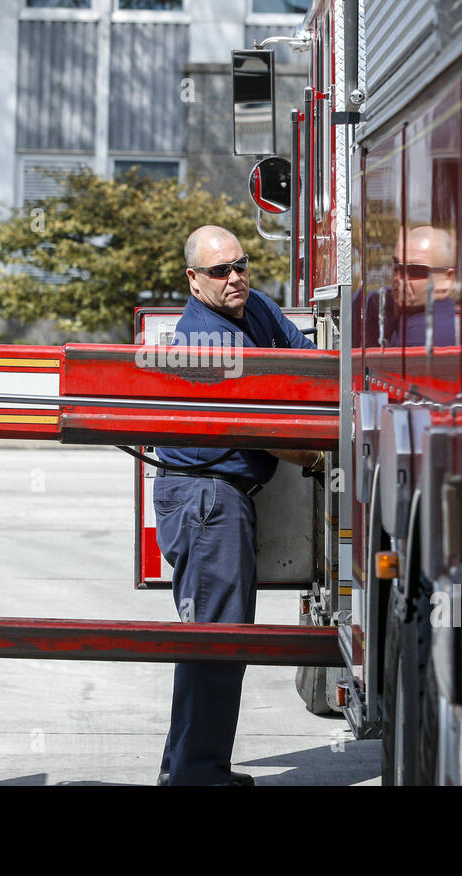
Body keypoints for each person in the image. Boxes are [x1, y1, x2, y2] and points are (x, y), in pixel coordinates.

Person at [153, 224, 318, 786]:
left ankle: (188, 769)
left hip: (219, 499)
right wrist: (320, 459)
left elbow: (306, 357)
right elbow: (259, 428)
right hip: (205, 501)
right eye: (220, 271)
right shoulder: (206, 338)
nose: (235, 277)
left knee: (218, 639)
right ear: (193, 280)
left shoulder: (254, 307)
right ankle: (197, 776)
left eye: (240, 265)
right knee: (216, 642)